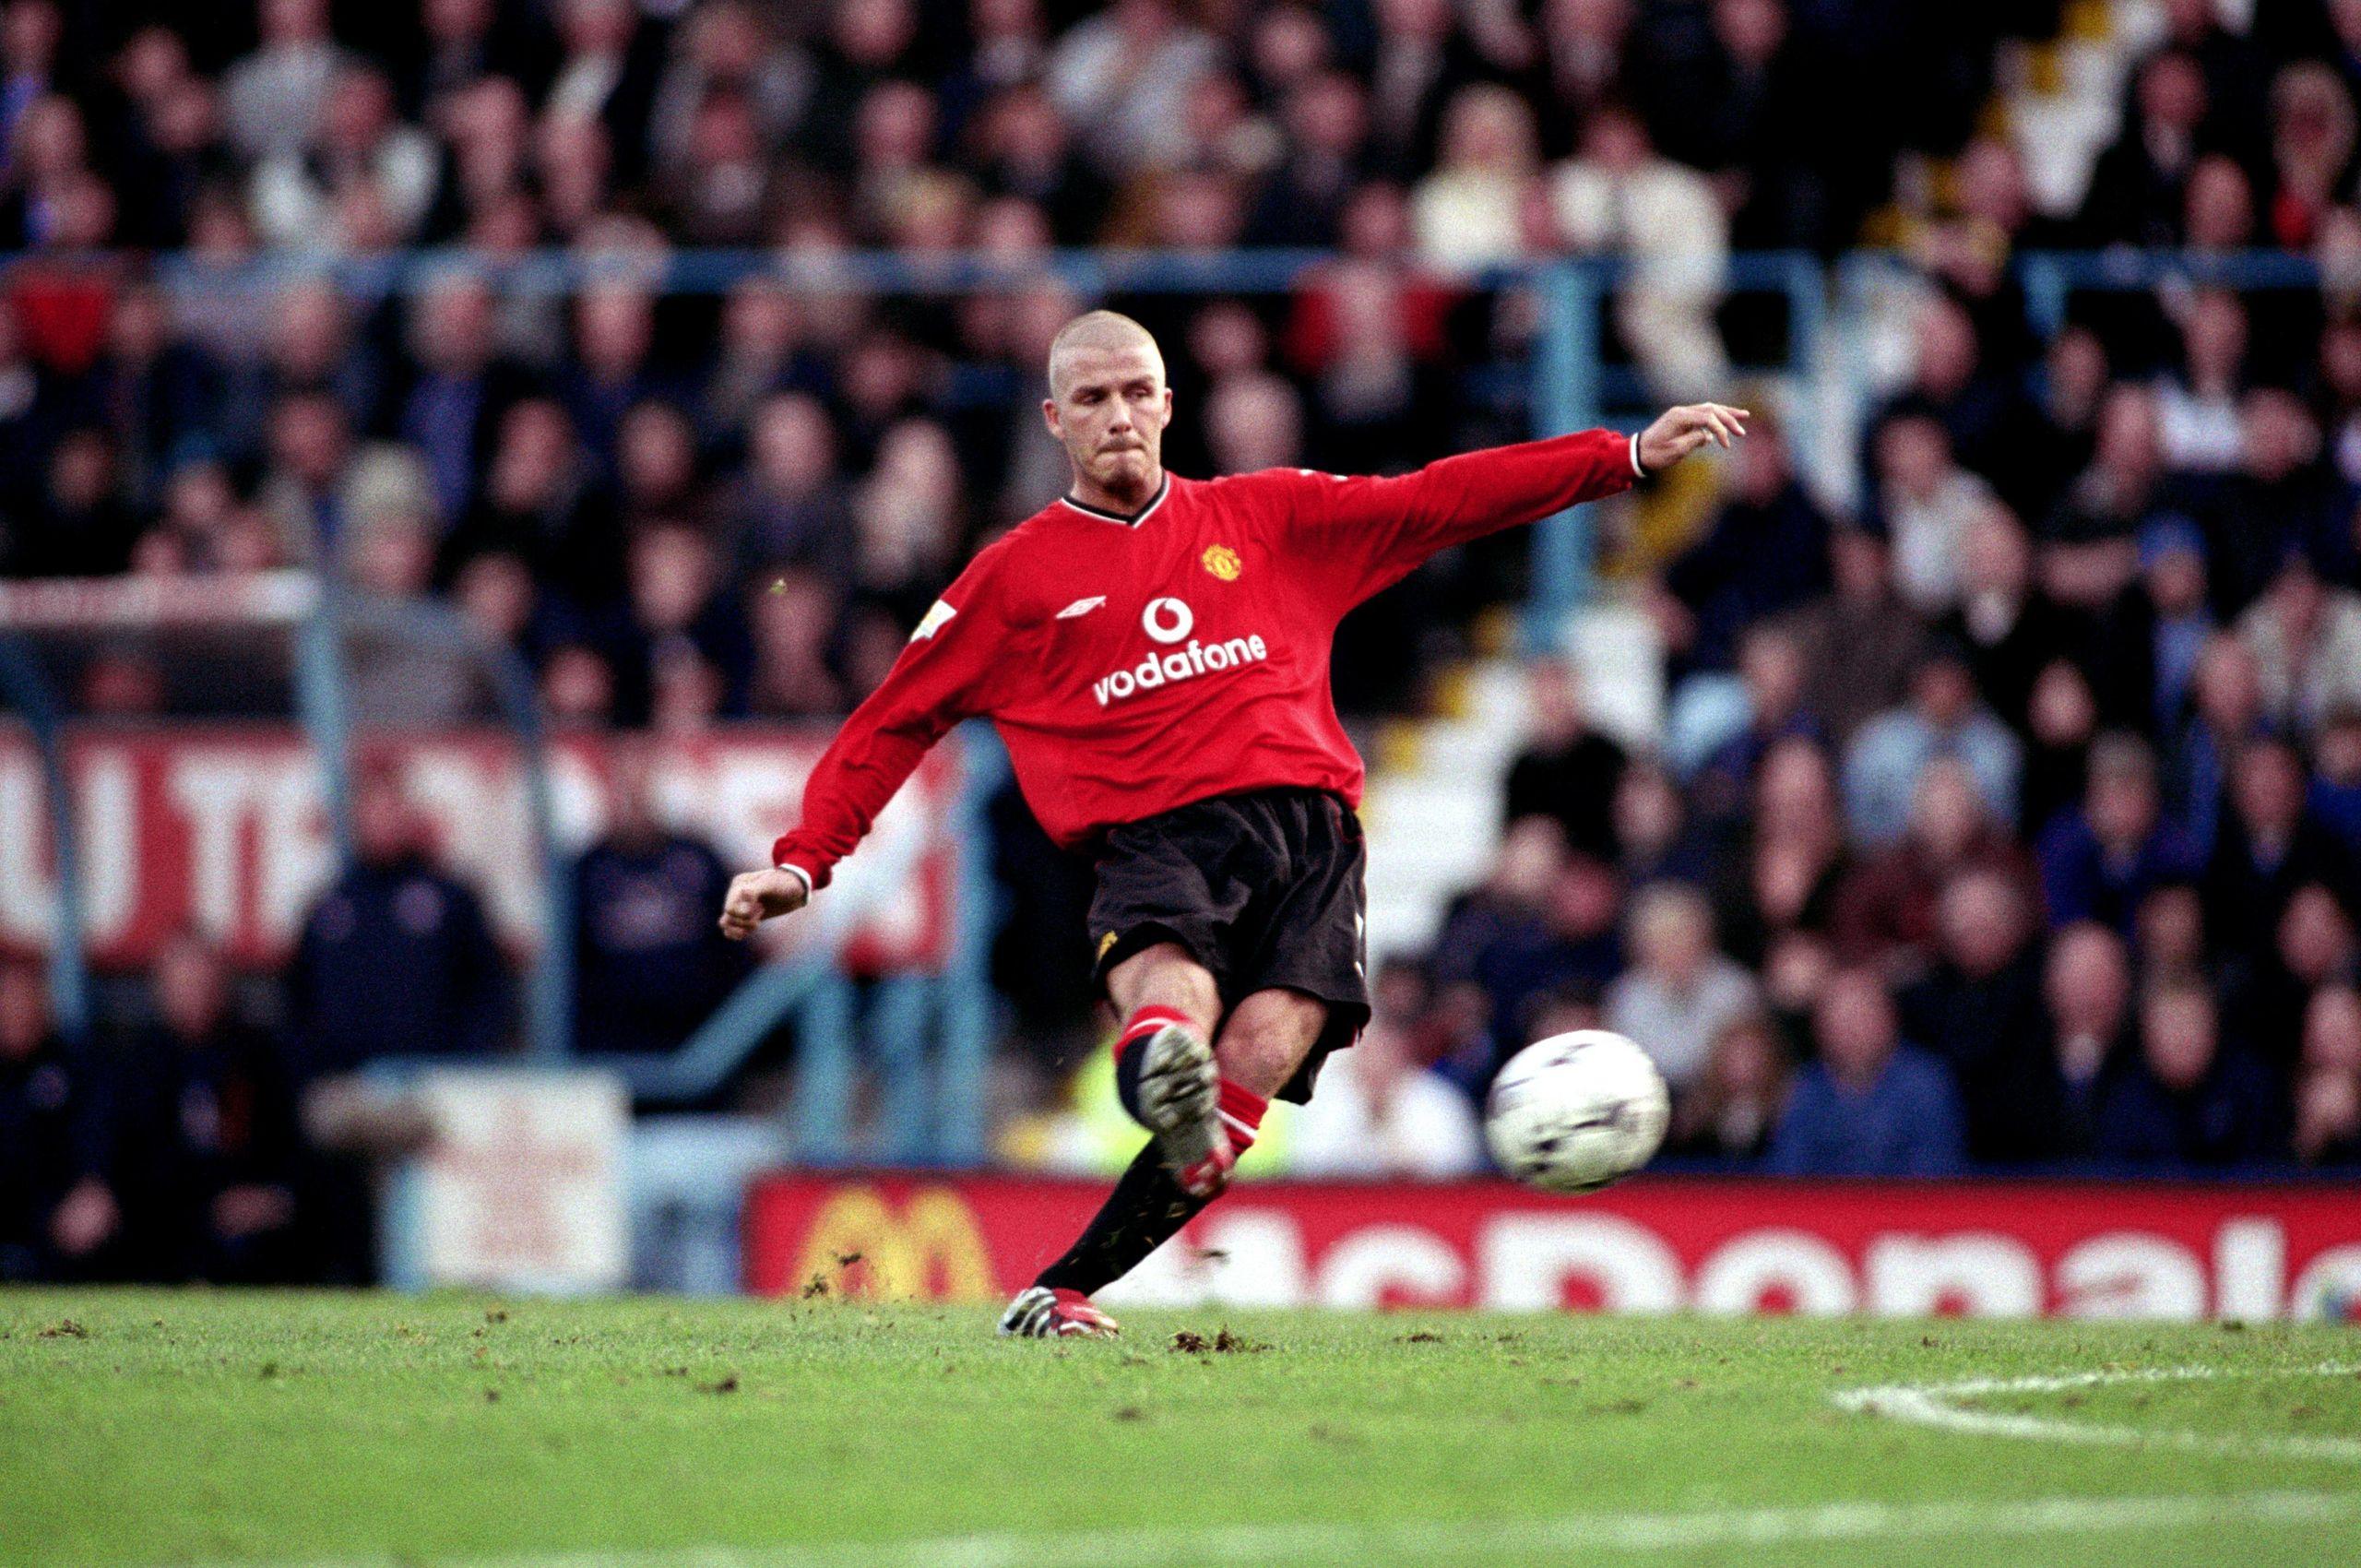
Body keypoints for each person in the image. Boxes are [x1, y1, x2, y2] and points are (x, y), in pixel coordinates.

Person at [718, 308, 1748, 1337]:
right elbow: (893, 717)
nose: (1117, 415)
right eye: (1091, 398)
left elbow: (1439, 499)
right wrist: (804, 863)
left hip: (1314, 840)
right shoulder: (1013, 577)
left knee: (1256, 1052)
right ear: (1054, 420)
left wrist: (1617, 456)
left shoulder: (1270, 515)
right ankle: (1160, 1064)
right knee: (1174, 997)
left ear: (1168, 402)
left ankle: (1061, 1285)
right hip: (1156, 834)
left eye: (1134, 393)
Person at [572, 733, 752, 1060]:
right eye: (625, 782)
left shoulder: (701, 860)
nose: (635, 796)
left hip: (699, 1041)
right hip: (611, 1046)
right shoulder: (584, 870)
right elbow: (569, 968)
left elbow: (736, 949)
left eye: (644, 780)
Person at [1766, 965, 1965, 1177]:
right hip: (1822, 1209)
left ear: (1890, 1018)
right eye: (1840, 1018)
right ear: (1818, 1027)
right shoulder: (1804, 1088)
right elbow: (1787, 1175)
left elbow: (1937, 1176)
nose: (1852, 1029)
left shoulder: (1926, 1084)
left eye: (1862, 1014)